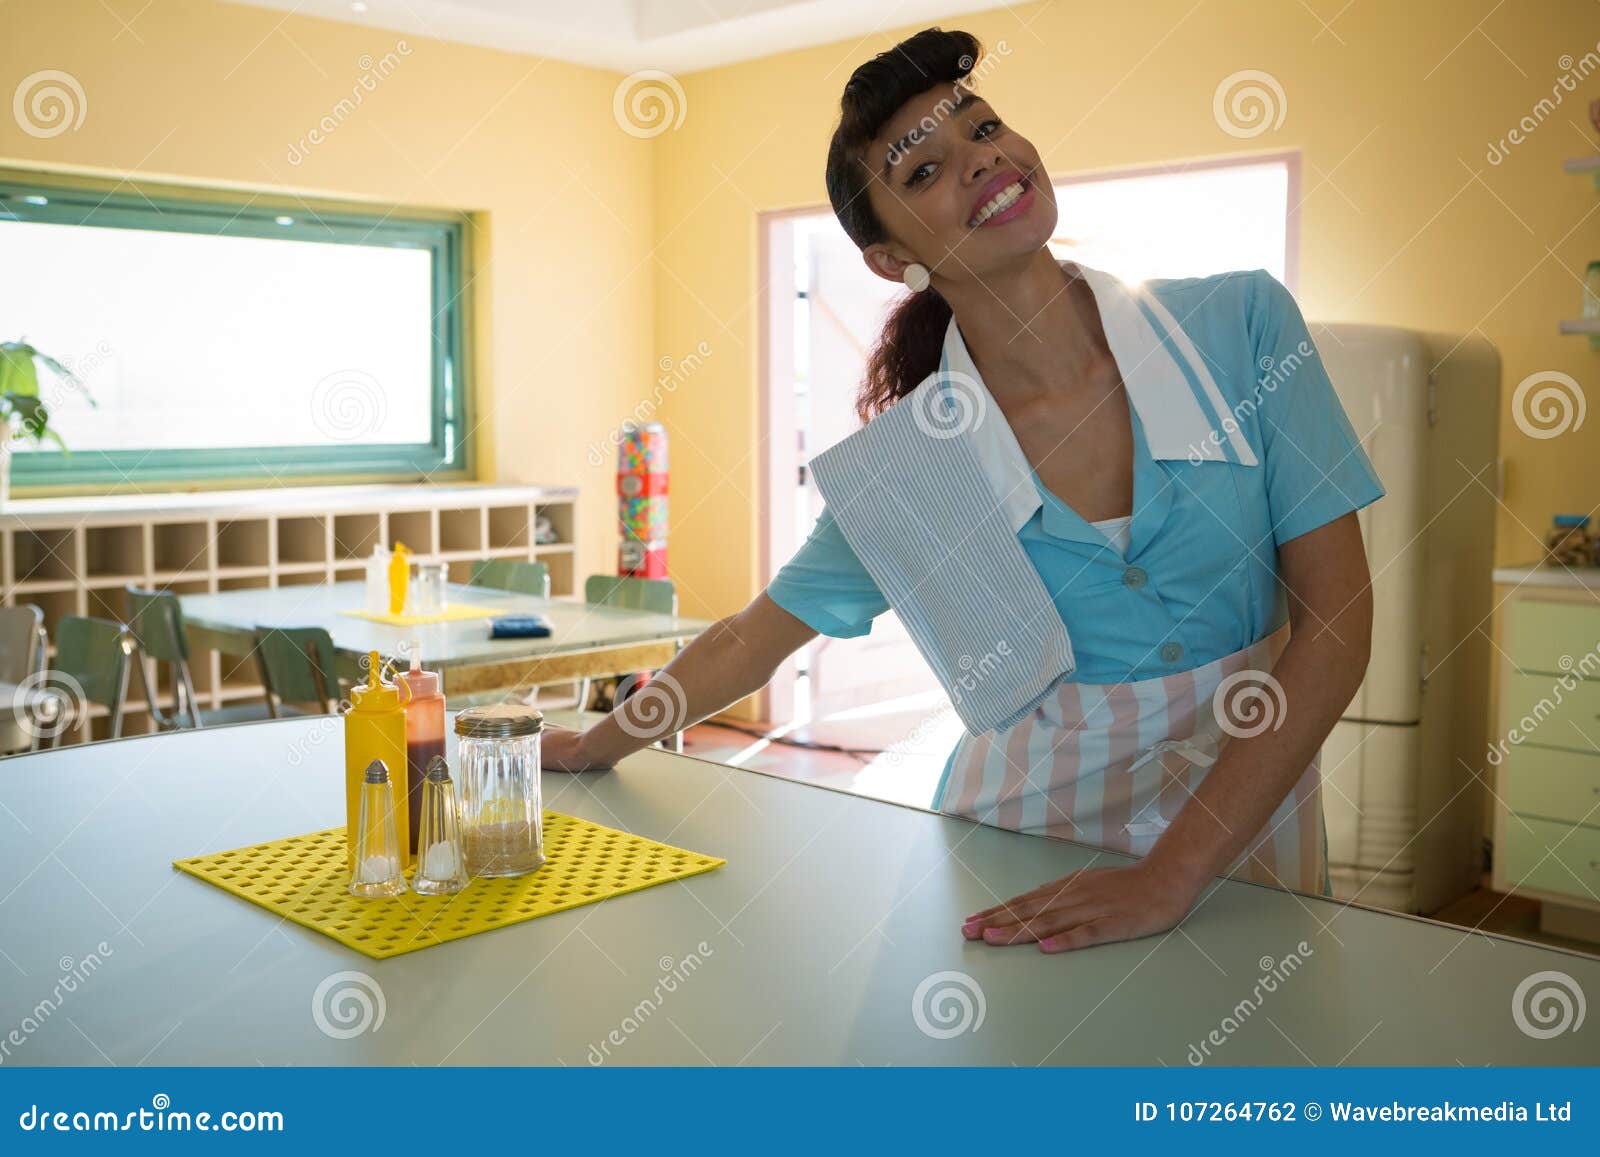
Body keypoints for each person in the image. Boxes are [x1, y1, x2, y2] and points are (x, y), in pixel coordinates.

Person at [544, 27, 1383, 954]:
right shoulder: (912, 466)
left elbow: (1338, 622)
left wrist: (1171, 874)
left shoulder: (1242, 326)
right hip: (1019, 852)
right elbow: (749, 640)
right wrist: (591, 745)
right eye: (925, 171)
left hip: (1243, 854)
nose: (982, 160)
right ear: (890, 257)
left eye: (982, 128)